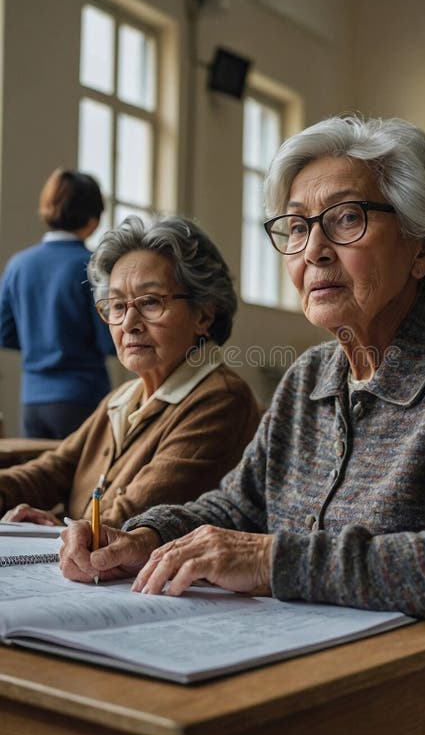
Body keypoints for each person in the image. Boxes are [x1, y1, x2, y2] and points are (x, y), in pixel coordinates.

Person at [59, 117, 425, 735]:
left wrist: (268, 559)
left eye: (346, 220)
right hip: (323, 662)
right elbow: (238, 504)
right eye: (296, 228)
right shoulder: (310, 374)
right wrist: (145, 534)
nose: (314, 251)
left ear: (422, 247)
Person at [0, 214, 260, 527]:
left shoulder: (221, 400)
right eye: (118, 306)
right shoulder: (124, 397)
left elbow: (136, 519)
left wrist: (65, 531)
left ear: (204, 314)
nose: (129, 324)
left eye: (150, 302)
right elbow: (51, 469)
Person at [0, 168, 116, 438]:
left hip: (32, 400)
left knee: (39, 478)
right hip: (82, 395)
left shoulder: (18, 264)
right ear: (93, 219)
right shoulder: (92, 265)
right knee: (84, 478)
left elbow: (4, 332)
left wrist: (38, 340)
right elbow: (108, 339)